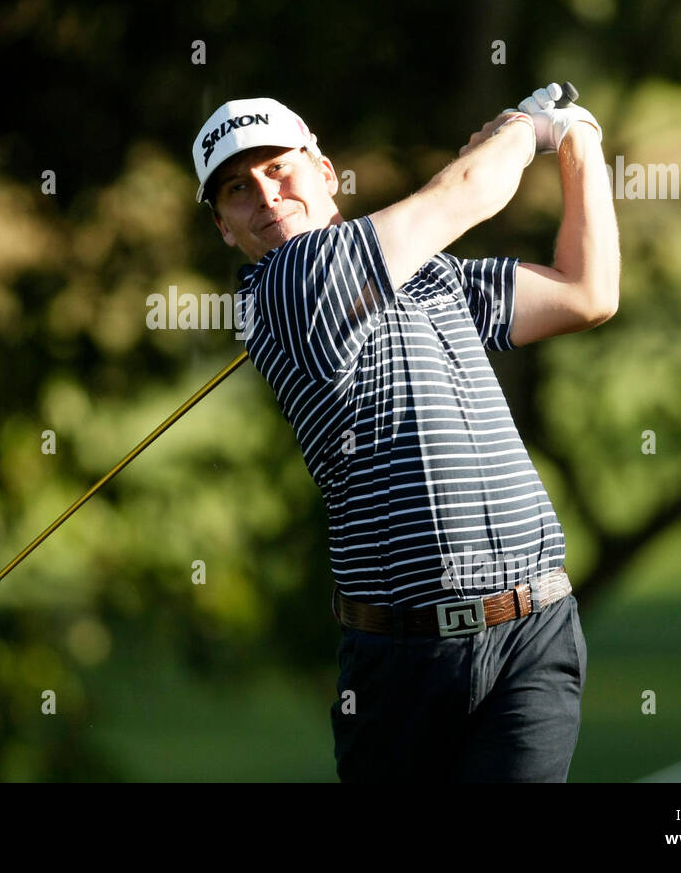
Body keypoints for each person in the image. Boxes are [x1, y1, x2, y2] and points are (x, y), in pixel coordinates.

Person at [189, 87, 619, 782]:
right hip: (403, 668)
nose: (265, 196)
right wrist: (527, 126)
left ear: (325, 173)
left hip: (533, 635)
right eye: (237, 189)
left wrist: (579, 145)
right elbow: (468, 193)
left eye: (277, 168)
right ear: (224, 228)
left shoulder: (429, 278)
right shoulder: (292, 285)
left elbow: (585, 293)